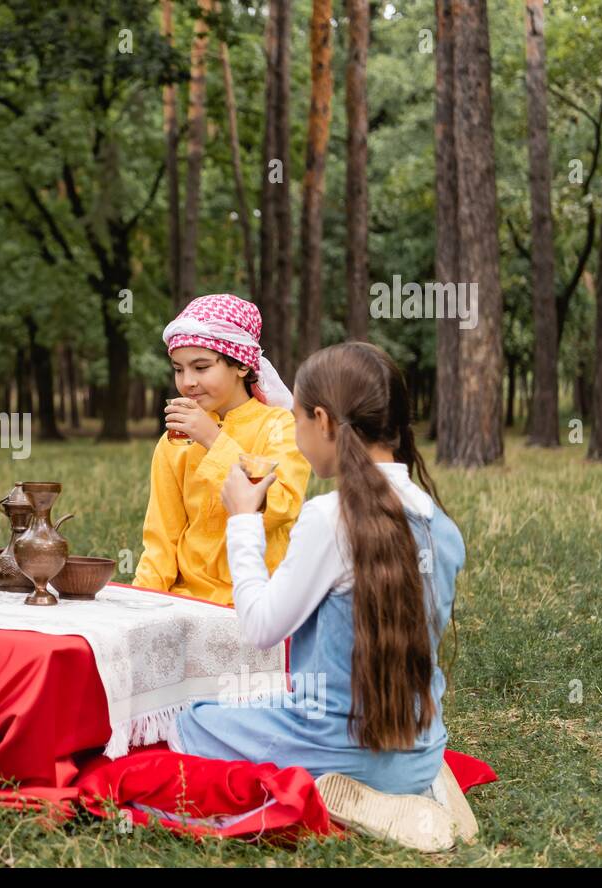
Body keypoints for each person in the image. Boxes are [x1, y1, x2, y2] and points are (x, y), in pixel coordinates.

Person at [169, 341, 474, 849]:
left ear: (322, 420)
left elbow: (262, 627)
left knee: (191, 723)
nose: (294, 434)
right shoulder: (442, 526)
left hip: (334, 746)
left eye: (295, 420)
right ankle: (417, 781)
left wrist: (244, 521)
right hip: (423, 743)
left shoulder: (328, 517)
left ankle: (331, 789)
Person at [132, 294, 310, 605]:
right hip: (185, 602)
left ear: (241, 364)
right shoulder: (174, 442)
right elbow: (162, 539)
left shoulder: (279, 425)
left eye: (201, 367)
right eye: (178, 368)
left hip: (260, 601)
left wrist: (214, 440)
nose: (187, 382)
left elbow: (279, 510)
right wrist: (141, 603)